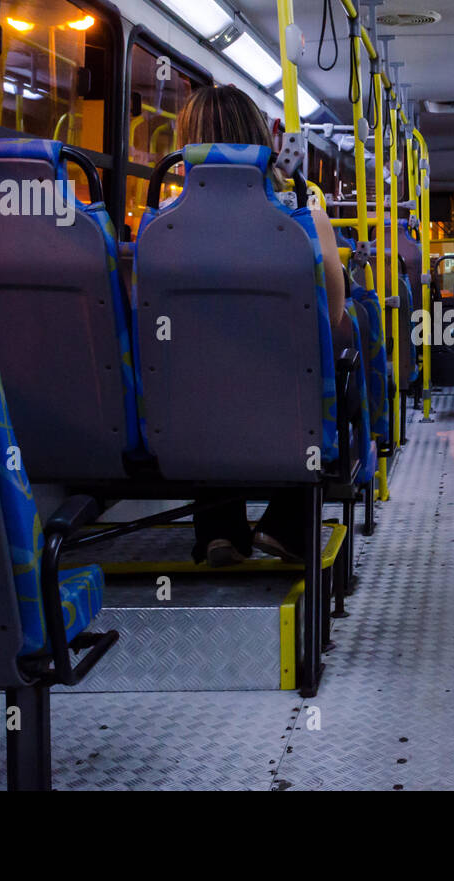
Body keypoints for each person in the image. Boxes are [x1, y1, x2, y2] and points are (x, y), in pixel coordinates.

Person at [171, 84, 349, 565]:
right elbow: (330, 320)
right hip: (285, 409)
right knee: (339, 377)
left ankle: (218, 530)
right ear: (261, 143)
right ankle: (285, 525)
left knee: (202, 377)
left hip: (188, 417)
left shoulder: (158, 228)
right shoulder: (303, 221)